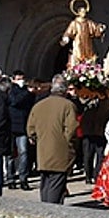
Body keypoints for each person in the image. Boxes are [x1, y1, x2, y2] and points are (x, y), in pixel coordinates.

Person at [27, 74, 79, 204]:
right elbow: (71, 128)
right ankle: (51, 213)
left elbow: (30, 129)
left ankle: (45, 209)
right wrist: (66, 143)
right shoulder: (68, 106)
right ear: (65, 90)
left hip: (43, 150)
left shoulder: (38, 105)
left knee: (45, 182)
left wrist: (37, 139)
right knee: (56, 185)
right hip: (60, 152)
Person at [6, 70, 35, 190]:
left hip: (23, 127)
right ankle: (10, 178)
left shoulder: (26, 91)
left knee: (24, 153)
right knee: (11, 155)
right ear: (13, 79)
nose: (21, 81)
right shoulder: (11, 90)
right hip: (12, 126)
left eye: (22, 78)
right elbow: (14, 101)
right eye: (18, 78)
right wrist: (27, 93)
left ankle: (23, 178)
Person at [60, 0, 106, 67]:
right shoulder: (74, 23)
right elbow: (69, 32)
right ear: (78, 12)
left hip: (88, 44)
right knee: (78, 57)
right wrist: (66, 38)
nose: (84, 13)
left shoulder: (88, 22)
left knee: (89, 58)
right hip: (78, 43)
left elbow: (95, 29)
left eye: (84, 11)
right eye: (82, 11)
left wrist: (100, 29)